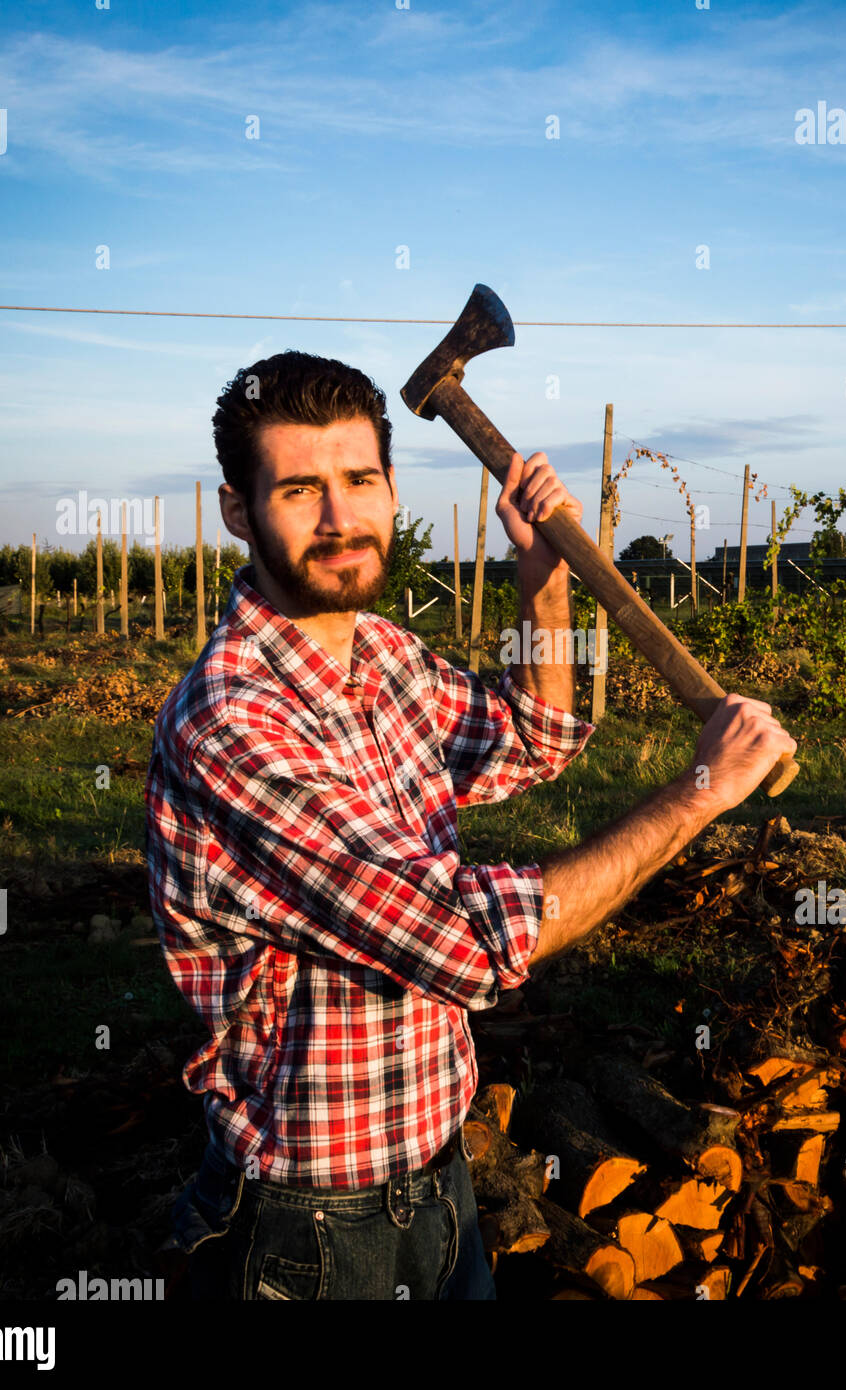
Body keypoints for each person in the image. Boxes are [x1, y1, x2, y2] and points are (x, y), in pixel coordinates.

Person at [146, 351, 796, 1299]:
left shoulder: (381, 654)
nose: (340, 519)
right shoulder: (231, 724)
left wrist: (544, 581)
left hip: (438, 1174)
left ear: (393, 485)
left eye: (360, 479)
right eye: (300, 489)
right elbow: (464, 942)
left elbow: (536, 736)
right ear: (240, 512)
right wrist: (700, 789)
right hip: (311, 1226)